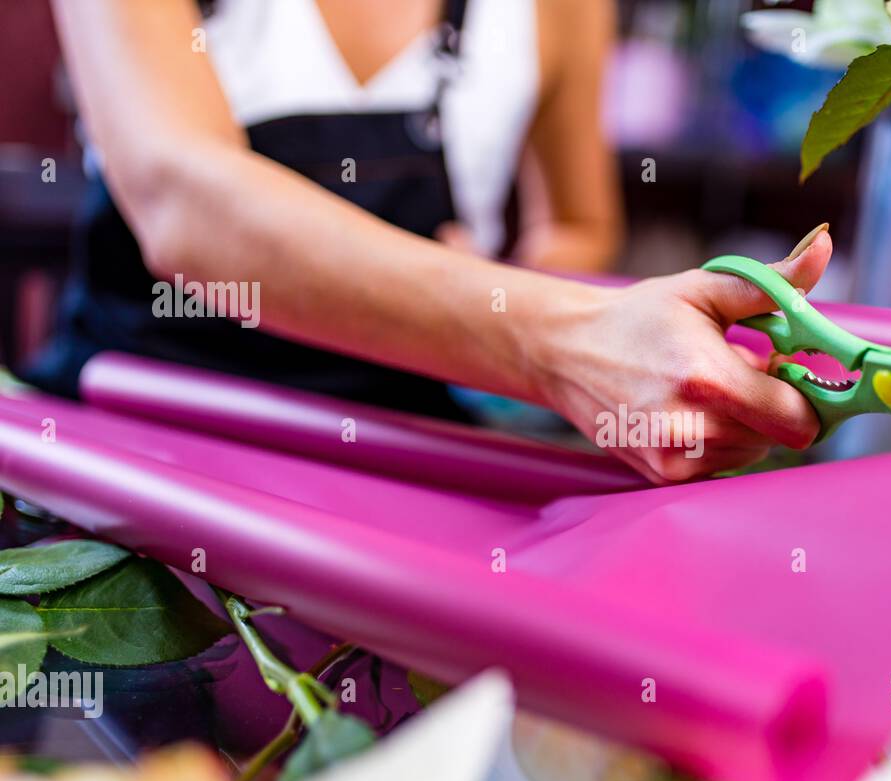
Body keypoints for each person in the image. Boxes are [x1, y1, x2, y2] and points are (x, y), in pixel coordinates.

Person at [27, 0, 830, 483]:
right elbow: (184, 203)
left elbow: (578, 227)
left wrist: (518, 294)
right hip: (132, 451)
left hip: (403, 464)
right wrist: (552, 343)